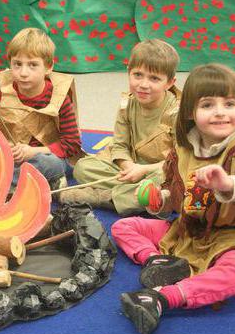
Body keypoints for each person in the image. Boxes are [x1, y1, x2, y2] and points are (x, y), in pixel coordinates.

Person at [114, 63, 235, 334]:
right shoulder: (183, 149)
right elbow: (181, 196)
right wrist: (162, 199)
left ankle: (163, 297)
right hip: (187, 230)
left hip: (232, 236)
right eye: (207, 105)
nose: (220, 112)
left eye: (229, 104)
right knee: (123, 226)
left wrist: (229, 184)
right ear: (191, 112)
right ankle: (157, 261)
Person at [59, 39, 180, 215]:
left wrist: (144, 170)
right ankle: (134, 197)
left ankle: (104, 198)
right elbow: (120, 144)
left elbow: (182, 159)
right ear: (128, 73)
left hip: (160, 170)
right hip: (132, 169)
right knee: (83, 168)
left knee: (167, 181)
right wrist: (128, 166)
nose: (143, 84)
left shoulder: (177, 112)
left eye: (154, 78)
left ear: (169, 82)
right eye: (138, 75)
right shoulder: (128, 104)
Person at [0, 27, 83, 191]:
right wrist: (5, 148)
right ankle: (25, 182)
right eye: (17, 64)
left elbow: (71, 145)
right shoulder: (4, 94)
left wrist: (33, 151)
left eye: (32, 65)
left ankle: (3, 185)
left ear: (49, 67)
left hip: (45, 156)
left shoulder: (59, 99)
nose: (23, 73)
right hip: (11, 155)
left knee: (50, 164)